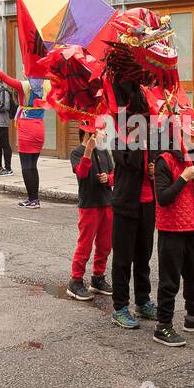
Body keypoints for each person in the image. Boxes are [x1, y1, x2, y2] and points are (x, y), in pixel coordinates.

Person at [152, 116, 194, 346]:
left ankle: (193, 315)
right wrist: (183, 178)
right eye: (189, 137)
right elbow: (163, 198)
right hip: (171, 230)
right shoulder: (164, 161)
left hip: (193, 227)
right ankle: (163, 326)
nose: (193, 141)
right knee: (169, 279)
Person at [109, 81, 158, 329]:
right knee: (123, 258)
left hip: (148, 203)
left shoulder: (152, 131)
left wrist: (156, 168)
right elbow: (133, 162)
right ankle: (120, 307)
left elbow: (158, 162)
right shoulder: (117, 134)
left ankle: (143, 300)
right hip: (126, 203)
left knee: (144, 256)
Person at [66, 127, 114, 301]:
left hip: (107, 202)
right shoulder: (77, 153)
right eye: (101, 131)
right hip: (89, 205)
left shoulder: (103, 151)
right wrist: (88, 151)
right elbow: (82, 173)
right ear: (90, 134)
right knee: (85, 244)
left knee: (105, 244)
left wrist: (108, 178)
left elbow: (114, 174)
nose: (105, 134)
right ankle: (76, 281)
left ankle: (98, 278)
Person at [0, 63, 44, 207]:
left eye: (26, 69)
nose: (23, 70)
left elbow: (4, 78)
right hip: (39, 127)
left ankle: (32, 199)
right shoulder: (44, 87)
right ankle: (34, 199)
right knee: (33, 165)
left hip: (27, 128)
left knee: (26, 166)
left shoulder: (24, 86)